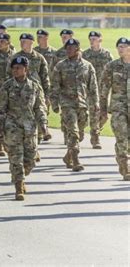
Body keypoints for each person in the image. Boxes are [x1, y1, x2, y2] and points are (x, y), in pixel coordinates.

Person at [0, 56, 47, 201]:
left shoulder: (35, 87)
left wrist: (43, 125)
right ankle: (18, 186)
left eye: (19, 68)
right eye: (14, 68)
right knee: (16, 158)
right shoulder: (7, 87)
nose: (15, 70)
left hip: (30, 129)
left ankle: (20, 176)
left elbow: (39, 107)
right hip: (12, 128)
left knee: (30, 160)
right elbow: (0, 109)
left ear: (26, 69)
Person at [50, 39, 99, 172]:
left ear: (78, 49)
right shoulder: (60, 66)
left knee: (81, 134)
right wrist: (54, 103)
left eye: (71, 48)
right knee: (73, 132)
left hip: (83, 104)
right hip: (67, 103)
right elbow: (54, 86)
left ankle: (68, 156)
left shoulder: (87, 66)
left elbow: (93, 87)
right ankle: (75, 160)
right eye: (67, 48)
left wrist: (96, 103)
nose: (69, 50)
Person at [99, 37, 130, 181]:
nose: (120, 49)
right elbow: (104, 89)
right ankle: (125, 168)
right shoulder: (111, 66)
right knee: (122, 137)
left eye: (123, 46)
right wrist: (103, 110)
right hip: (119, 109)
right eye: (119, 46)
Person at [82, 31, 113, 149]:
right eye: (90, 38)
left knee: (104, 116)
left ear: (100, 40)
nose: (92, 41)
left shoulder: (107, 55)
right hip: (89, 90)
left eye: (94, 39)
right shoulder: (85, 55)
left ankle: (95, 130)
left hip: (103, 90)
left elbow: (111, 71)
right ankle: (95, 138)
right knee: (94, 113)